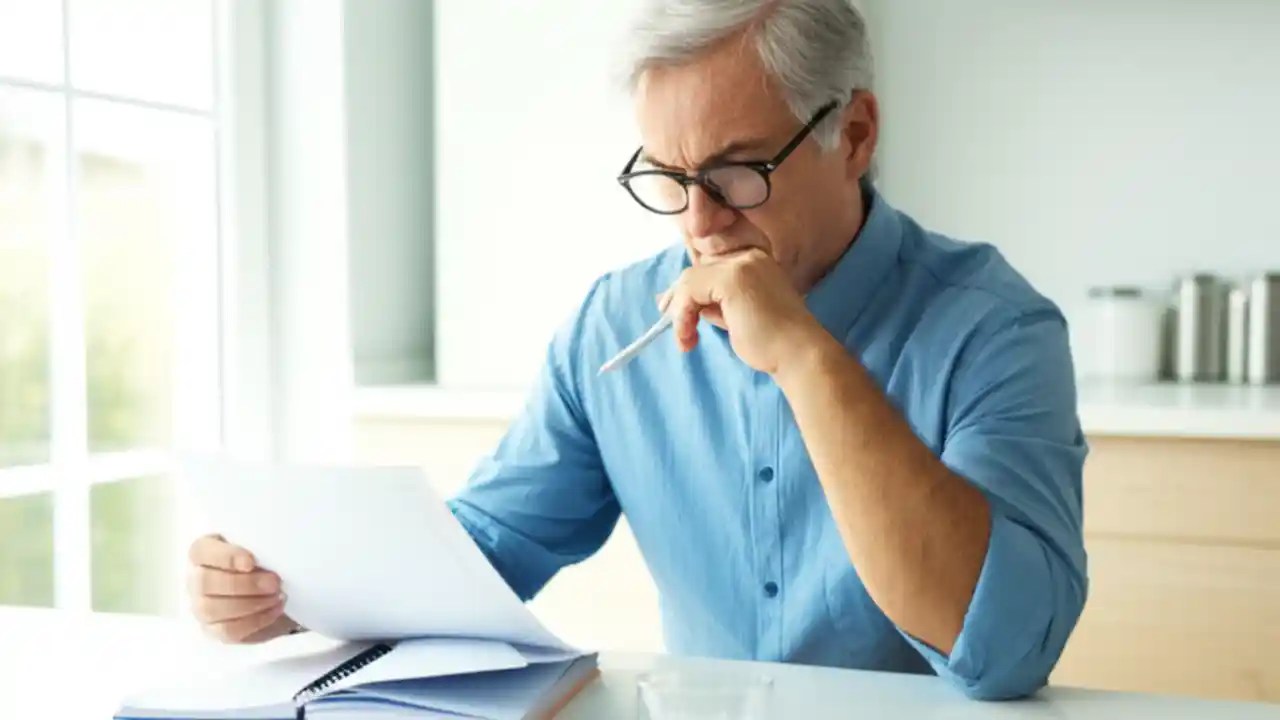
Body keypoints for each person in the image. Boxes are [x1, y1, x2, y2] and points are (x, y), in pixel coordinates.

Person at [186, 0, 1087, 701]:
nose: (698, 222)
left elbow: (1002, 651)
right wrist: (291, 592)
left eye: (740, 171)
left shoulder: (996, 330)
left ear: (853, 135)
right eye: (668, 177)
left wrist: (806, 360)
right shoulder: (616, 325)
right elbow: (486, 555)